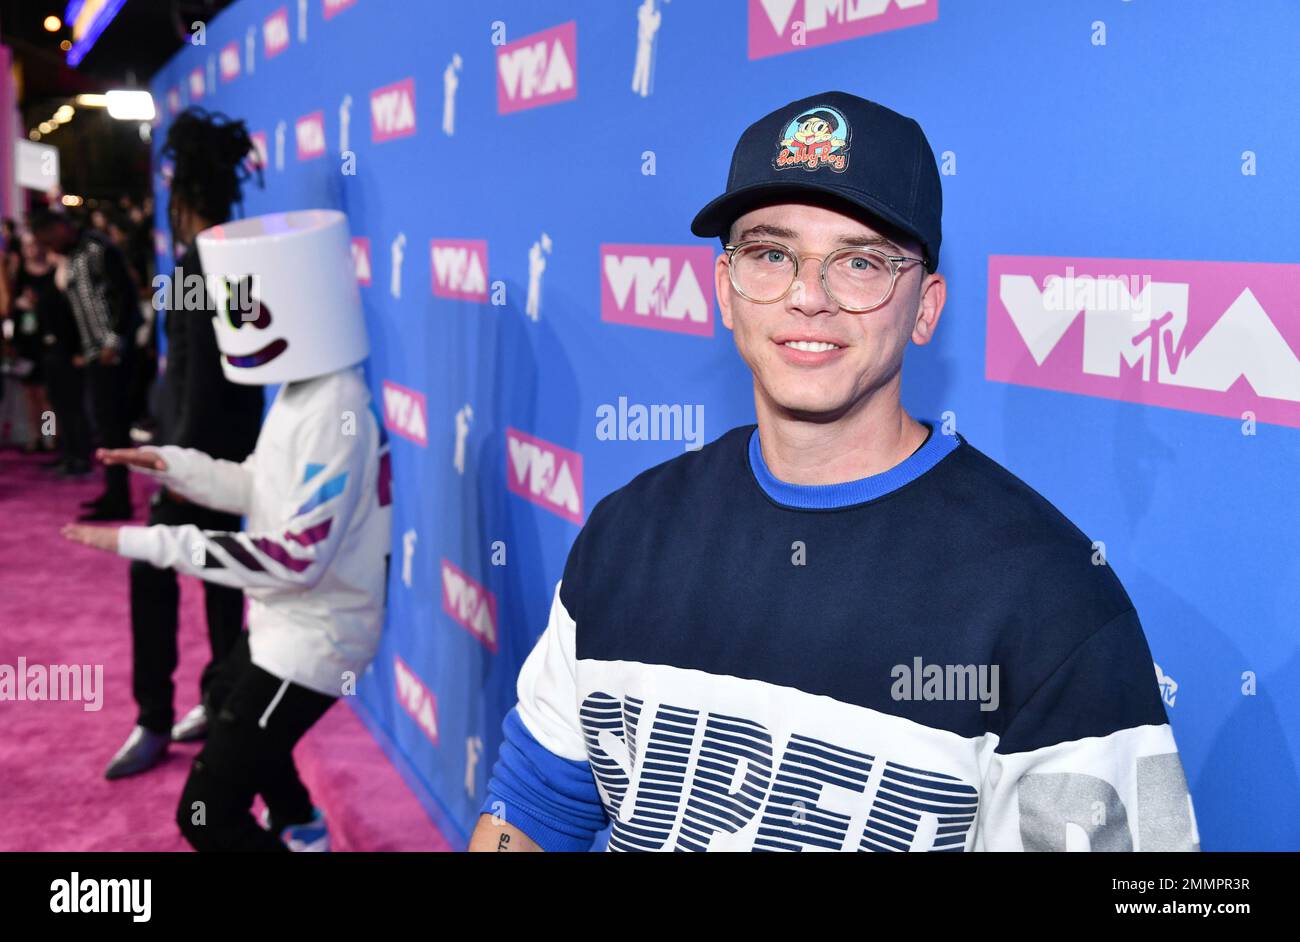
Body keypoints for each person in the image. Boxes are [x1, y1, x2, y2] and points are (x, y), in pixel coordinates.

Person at [468, 91, 1198, 853]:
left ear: (925, 307)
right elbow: (533, 806)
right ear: (725, 289)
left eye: (860, 262)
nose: (806, 296)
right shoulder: (627, 532)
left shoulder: (1054, 603)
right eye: (770, 254)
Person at [63, 208, 391, 852]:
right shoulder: (305, 389)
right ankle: (302, 823)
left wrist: (150, 542)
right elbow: (259, 487)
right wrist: (175, 465)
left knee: (205, 815)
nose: (239, 323)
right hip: (281, 623)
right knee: (220, 691)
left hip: (318, 636)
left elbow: (296, 559)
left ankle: (296, 827)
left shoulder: (335, 408)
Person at [98, 109, 268, 781]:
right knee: (222, 583)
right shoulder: (238, 253)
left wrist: (178, 462)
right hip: (230, 455)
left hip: (201, 458)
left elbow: (199, 370)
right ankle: (218, 703)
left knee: (155, 574)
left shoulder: (202, 260)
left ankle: (154, 717)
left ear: (184, 194)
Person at [32, 207, 141, 521]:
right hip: (92, 354)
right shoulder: (72, 258)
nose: (48, 248)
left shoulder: (98, 248)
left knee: (114, 427)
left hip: (113, 354)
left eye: (47, 239)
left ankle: (120, 497)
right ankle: (114, 491)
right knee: (106, 428)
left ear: (60, 228)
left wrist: (115, 340)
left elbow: (126, 296)